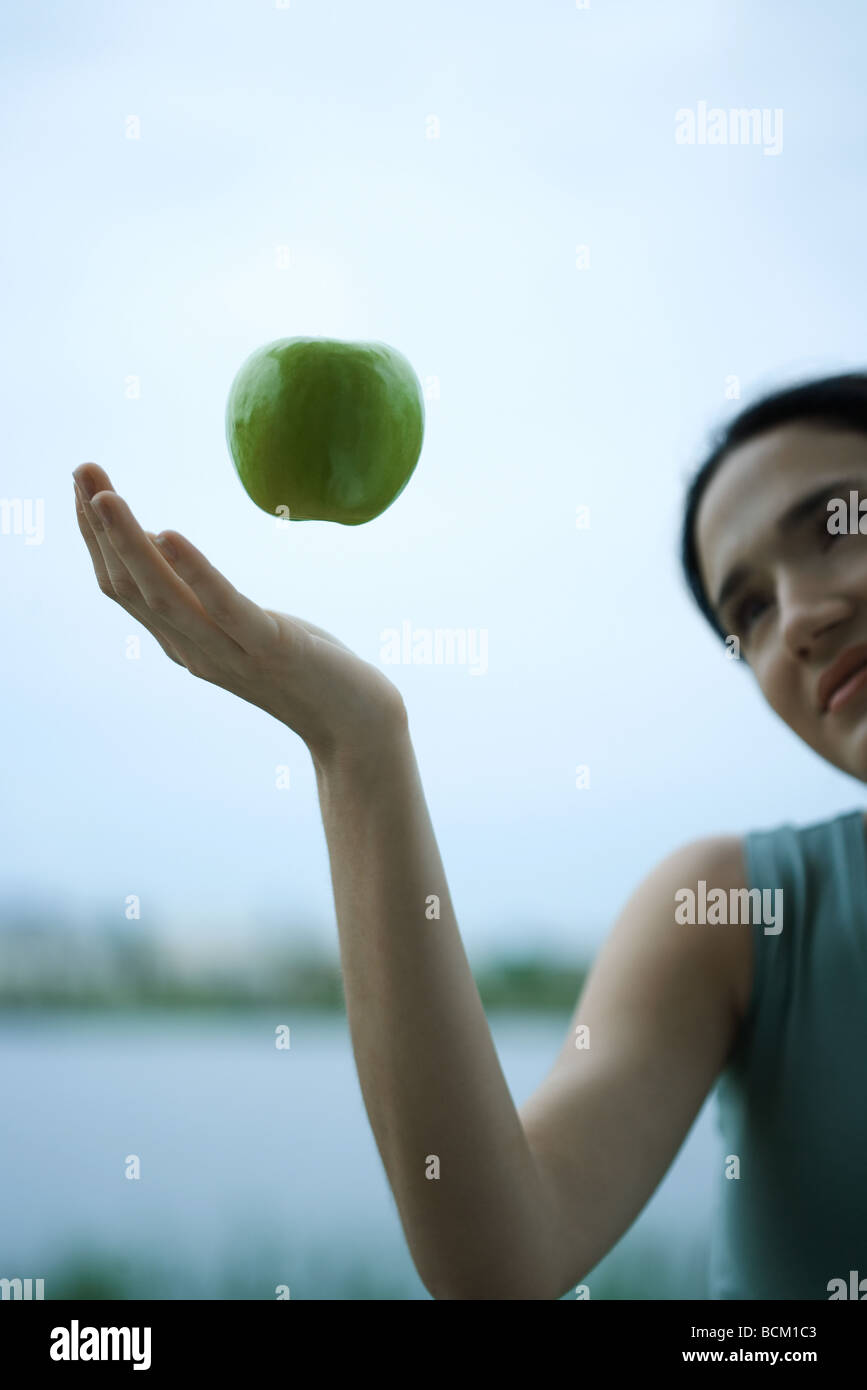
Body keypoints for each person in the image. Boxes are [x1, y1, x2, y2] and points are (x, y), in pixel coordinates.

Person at [72, 372, 867, 1300]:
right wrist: (354, 744)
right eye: (749, 612)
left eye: (835, 525)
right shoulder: (741, 911)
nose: (800, 618)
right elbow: (503, 1262)